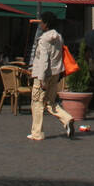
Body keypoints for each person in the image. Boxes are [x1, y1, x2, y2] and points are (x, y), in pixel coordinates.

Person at [28, 12, 74, 140]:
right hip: (55, 73)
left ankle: (37, 133)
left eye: (41, 22)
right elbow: (60, 56)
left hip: (43, 74)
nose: (40, 24)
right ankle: (67, 118)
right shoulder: (59, 37)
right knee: (50, 102)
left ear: (46, 24)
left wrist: (42, 78)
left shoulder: (43, 39)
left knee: (37, 102)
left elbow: (43, 59)